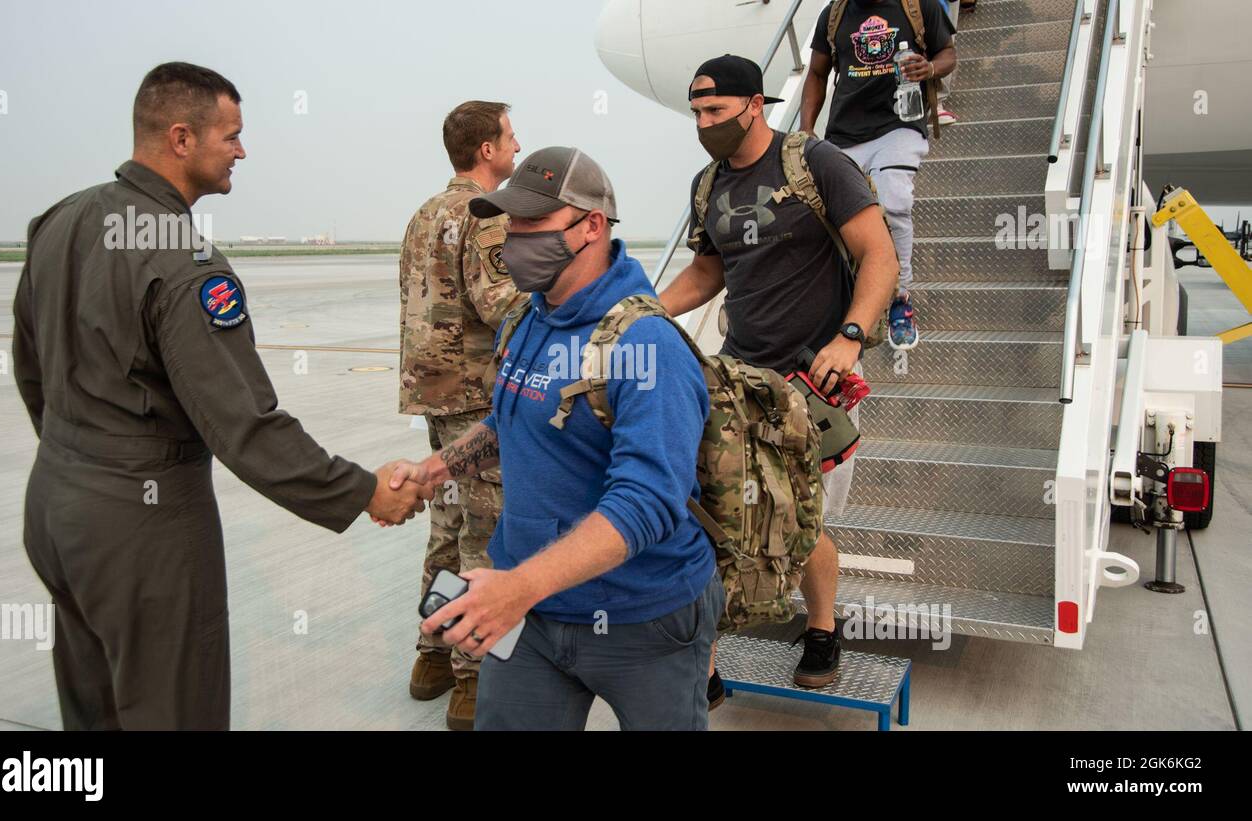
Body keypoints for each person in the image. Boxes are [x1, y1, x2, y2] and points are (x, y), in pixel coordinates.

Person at [11, 61, 428, 730]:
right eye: (230, 135)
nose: (242, 150)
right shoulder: (184, 261)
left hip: (57, 505)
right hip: (143, 528)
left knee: (91, 716)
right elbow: (245, 427)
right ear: (181, 138)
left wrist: (83, 463)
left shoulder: (59, 222)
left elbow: (32, 374)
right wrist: (363, 491)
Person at [391, 146, 722, 730]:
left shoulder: (647, 344)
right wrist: (435, 469)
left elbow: (647, 503)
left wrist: (517, 587)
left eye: (531, 225)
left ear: (590, 225)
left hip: (641, 616)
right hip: (531, 617)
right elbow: (512, 419)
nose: (513, 239)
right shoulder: (527, 318)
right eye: (510, 223)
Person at [658, 55, 899, 698]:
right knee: (715, 513)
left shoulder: (816, 164)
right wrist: (651, 309)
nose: (705, 124)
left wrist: (850, 337)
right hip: (740, 375)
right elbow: (711, 270)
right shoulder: (706, 186)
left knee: (803, 519)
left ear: (754, 105)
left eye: (716, 112)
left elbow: (879, 252)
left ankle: (821, 630)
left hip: (815, 380)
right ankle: (704, 662)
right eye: (698, 114)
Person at [398, 100, 527, 730]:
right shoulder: (487, 215)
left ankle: (431, 657)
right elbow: (499, 301)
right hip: (476, 396)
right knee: (485, 534)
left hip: (433, 391)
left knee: (446, 528)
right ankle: (472, 685)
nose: (518, 145)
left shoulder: (425, 213)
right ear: (486, 150)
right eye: (510, 136)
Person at [799, 0, 958, 349]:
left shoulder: (918, 5)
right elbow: (816, 73)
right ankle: (845, 301)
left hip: (899, 123)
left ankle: (899, 298)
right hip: (844, 132)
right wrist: (806, 130)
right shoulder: (835, 12)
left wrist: (929, 68)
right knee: (829, 220)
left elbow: (948, 53)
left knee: (892, 201)